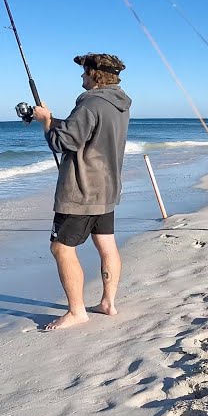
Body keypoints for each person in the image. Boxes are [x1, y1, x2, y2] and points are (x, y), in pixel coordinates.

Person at [31, 53, 132, 331]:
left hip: (81, 191)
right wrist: (52, 118)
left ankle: (77, 312)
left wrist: (46, 121)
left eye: (84, 71)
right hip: (107, 188)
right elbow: (88, 131)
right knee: (106, 245)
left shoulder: (90, 104)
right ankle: (108, 303)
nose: (81, 76)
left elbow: (63, 143)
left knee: (61, 248)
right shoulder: (118, 104)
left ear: (95, 74)